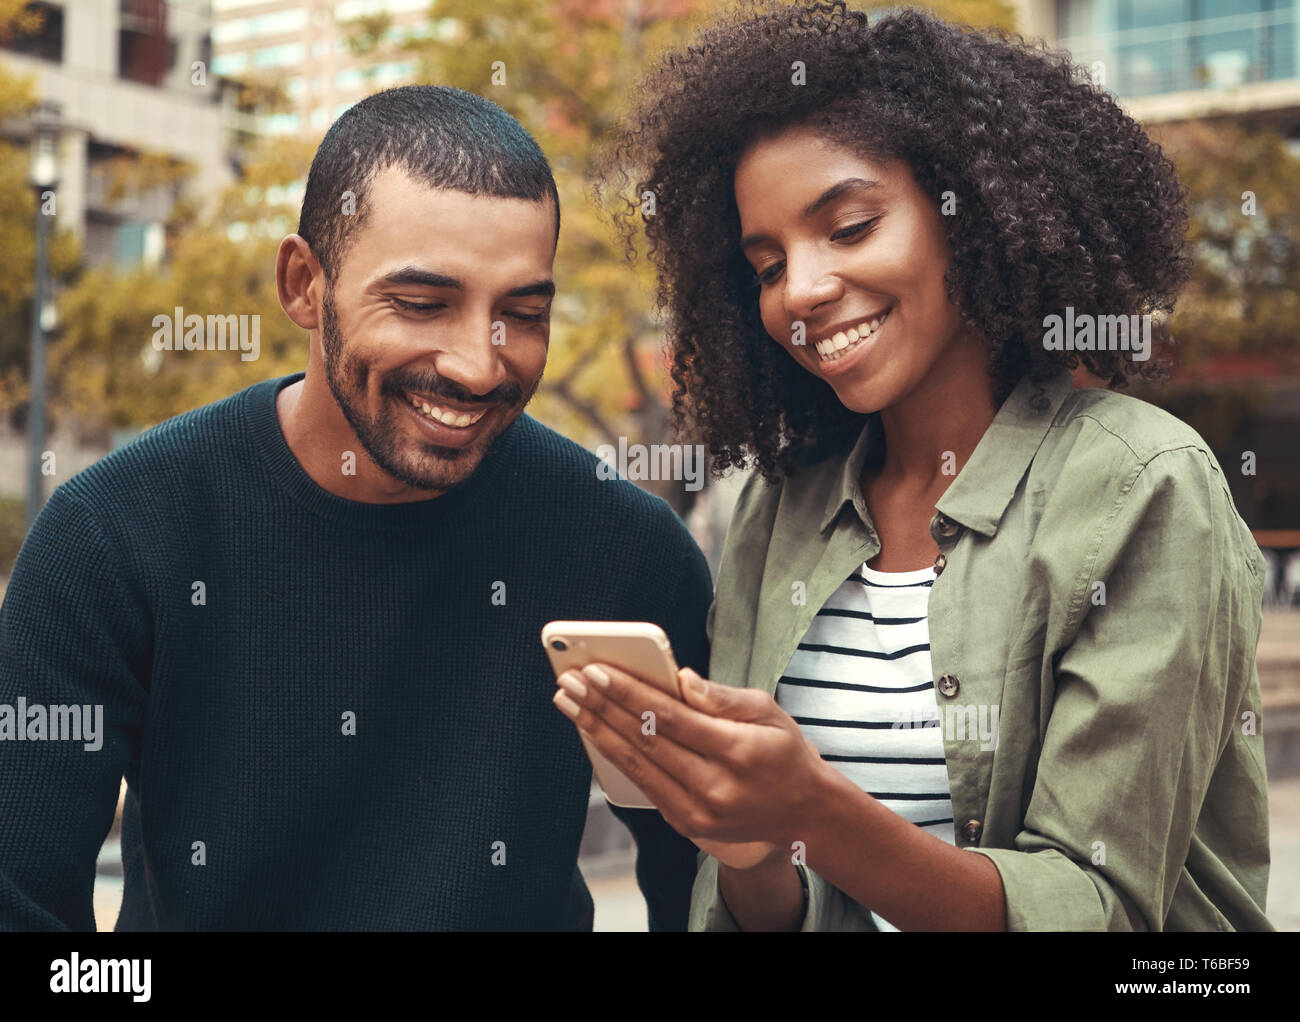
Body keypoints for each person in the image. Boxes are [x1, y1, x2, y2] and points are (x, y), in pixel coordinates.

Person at [555, 2, 1274, 931]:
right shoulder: (779, 507)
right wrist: (753, 848)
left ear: (972, 215)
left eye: (849, 227)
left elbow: (1097, 908)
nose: (802, 292)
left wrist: (813, 810)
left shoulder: (1142, 485)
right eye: (767, 265)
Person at [0, 85, 707, 931]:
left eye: (521, 313)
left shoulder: (624, 547)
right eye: (422, 304)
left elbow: (709, 880)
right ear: (304, 285)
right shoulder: (111, 535)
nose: (479, 367)